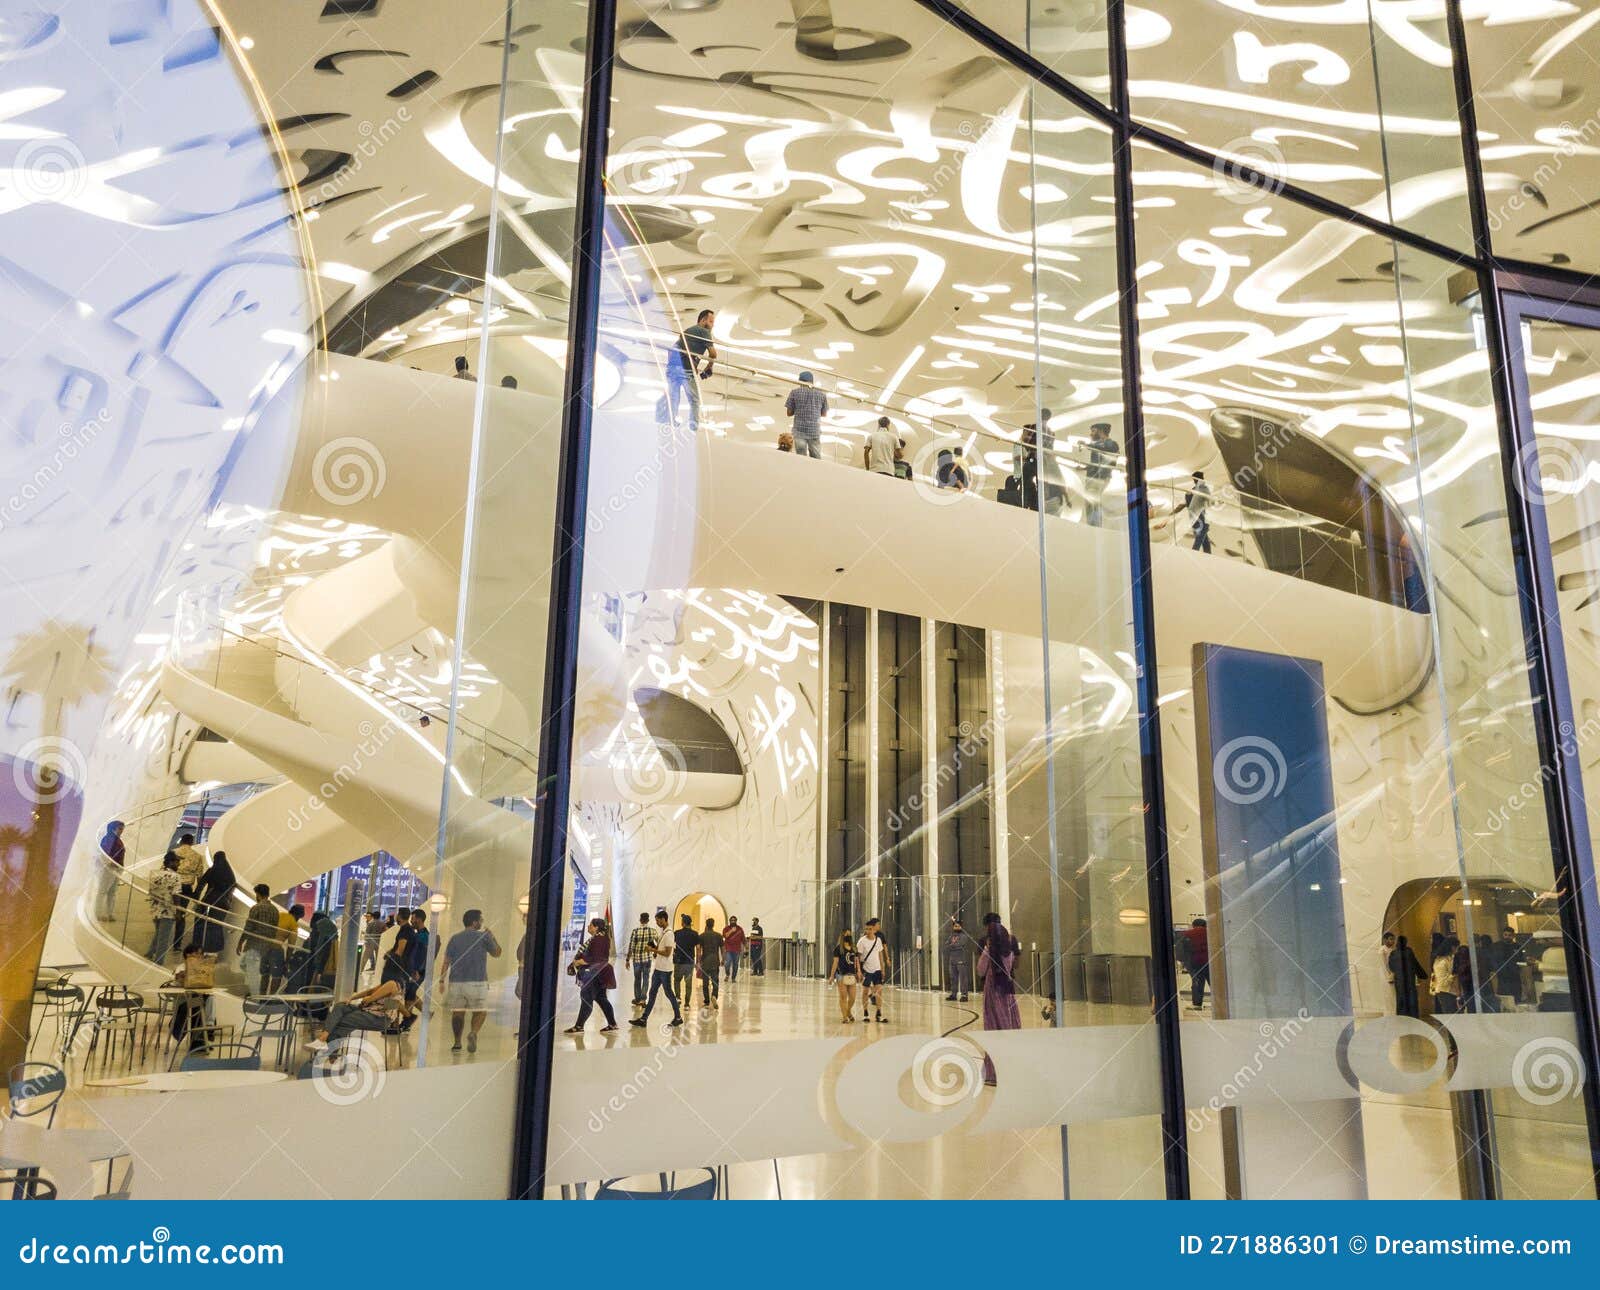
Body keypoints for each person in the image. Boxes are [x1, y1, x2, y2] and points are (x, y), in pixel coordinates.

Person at [440, 908, 502, 1052]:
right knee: (480, 1011)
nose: (481, 923)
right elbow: (497, 953)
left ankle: (456, 1043)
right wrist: (492, 936)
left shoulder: (455, 938)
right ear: (474, 922)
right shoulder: (483, 936)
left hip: (457, 982)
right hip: (477, 982)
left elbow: (446, 961)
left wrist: (442, 981)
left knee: (457, 1013)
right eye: (480, 920)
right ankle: (473, 1033)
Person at [978, 912, 1022, 1085]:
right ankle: (1012, 1067)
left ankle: (994, 1073)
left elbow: (980, 970)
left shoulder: (989, 947)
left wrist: (986, 951)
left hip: (993, 992)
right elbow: (1014, 964)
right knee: (1009, 1025)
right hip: (1008, 990)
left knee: (994, 1030)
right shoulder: (1010, 944)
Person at [308, 979, 406, 1052]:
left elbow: (386, 1010)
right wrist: (352, 998)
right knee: (340, 1006)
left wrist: (370, 999)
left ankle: (328, 1047)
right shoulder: (385, 985)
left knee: (342, 1019)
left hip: (379, 1019)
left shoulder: (395, 991)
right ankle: (323, 1039)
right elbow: (369, 992)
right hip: (367, 1011)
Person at [660, 308, 716, 431]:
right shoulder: (704, 331)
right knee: (694, 399)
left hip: (671, 368)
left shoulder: (687, 331)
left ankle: (670, 422)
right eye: (711, 322)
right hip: (685, 370)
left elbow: (673, 349)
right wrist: (708, 367)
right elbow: (713, 354)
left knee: (674, 397)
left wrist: (693, 365)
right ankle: (693, 426)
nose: (712, 325)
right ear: (703, 320)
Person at [564, 917, 618, 1034]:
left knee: (586, 999)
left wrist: (577, 962)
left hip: (593, 973)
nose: (588, 927)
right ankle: (612, 1024)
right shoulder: (603, 938)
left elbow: (594, 958)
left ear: (596, 927)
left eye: (590, 925)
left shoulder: (597, 939)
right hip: (601, 972)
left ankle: (579, 1026)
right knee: (601, 998)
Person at [630, 909, 684, 1028]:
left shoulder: (669, 933)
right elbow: (661, 949)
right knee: (652, 993)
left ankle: (678, 1017)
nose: (657, 923)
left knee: (669, 993)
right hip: (659, 968)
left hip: (665, 970)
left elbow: (668, 953)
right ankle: (644, 1019)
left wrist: (653, 950)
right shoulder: (663, 932)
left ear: (664, 919)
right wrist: (655, 949)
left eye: (658, 920)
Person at [237, 883, 280, 997]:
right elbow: (275, 929)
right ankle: (261, 995)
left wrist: (240, 942)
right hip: (269, 944)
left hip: (254, 943)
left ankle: (253, 993)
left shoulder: (256, 908)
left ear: (258, 894)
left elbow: (249, 927)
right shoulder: (275, 910)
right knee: (264, 971)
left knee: (248, 966)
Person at [193, 850, 235, 954]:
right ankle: (214, 950)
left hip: (209, 900)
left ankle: (199, 947)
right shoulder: (229, 873)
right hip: (222, 903)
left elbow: (200, 885)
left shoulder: (212, 870)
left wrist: (196, 899)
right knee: (216, 925)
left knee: (202, 923)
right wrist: (229, 902)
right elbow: (231, 888)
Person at [144, 852, 182, 963]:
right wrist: (179, 911)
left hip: (155, 909)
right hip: (168, 912)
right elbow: (176, 894)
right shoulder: (176, 877)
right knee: (164, 939)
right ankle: (159, 961)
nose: (178, 864)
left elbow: (151, 891)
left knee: (159, 933)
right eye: (177, 861)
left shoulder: (155, 874)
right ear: (171, 862)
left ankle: (150, 953)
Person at [172, 832, 206, 948]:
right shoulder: (197, 856)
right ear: (192, 842)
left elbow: (164, 869)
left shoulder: (173, 853)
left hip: (171, 885)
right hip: (186, 888)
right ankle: (177, 943)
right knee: (181, 914)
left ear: (181, 841)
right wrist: (196, 893)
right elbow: (200, 877)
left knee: (168, 911)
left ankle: (162, 936)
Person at [784, 370, 828, 459]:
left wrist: (799, 408)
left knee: (801, 458)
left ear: (800, 381)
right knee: (816, 457)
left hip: (799, 431)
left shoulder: (794, 392)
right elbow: (824, 414)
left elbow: (789, 413)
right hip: (814, 430)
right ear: (812, 381)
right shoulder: (821, 394)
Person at [856, 917, 890, 1023]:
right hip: (866, 970)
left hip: (877, 970)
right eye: (866, 929)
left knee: (879, 991)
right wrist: (859, 971)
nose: (868, 931)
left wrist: (882, 968)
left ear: (874, 930)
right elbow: (858, 957)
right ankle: (865, 1013)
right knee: (865, 991)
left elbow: (880, 955)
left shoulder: (878, 940)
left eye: (870, 929)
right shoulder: (862, 941)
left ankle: (878, 1013)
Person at [1084, 422, 1117, 527]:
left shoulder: (1111, 443)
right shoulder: (1097, 445)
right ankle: (1092, 525)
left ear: (1101, 431)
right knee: (1089, 501)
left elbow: (1109, 451)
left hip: (1100, 477)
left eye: (1093, 431)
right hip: (1092, 476)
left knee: (1093, 500)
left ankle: (1095, 526)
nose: (1091, 434)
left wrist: (1089, 445)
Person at [1388, 933, 1428, 1018]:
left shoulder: (1393, 953)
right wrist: (1423, 975)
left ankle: (1402, 1017)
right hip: (1409, 980)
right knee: (1411, 998)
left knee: (1401, 998)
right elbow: (1415, 964)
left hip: (1399, 980)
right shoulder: (1408, 952)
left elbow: (1391, 967)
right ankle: (1413, 1017)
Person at [95, 820, 126, 921]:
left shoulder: (116, 839)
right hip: (110, 869)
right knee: (103, 891)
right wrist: (110, 863)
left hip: (117, 868)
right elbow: (102, 854)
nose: (122, 831)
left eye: (122, 829)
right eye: (120, 829)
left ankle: (110, 913)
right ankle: (98, 913)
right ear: (113, 828)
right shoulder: (108, 839)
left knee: (112, 892)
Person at [827, 929, 861, 1023]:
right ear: (842, 936)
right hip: (841, 975)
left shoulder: (854, 948)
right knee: (843, 996)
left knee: (853, 997)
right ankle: (845, 1017)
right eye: (846, 935)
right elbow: (835, 962)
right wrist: (831, 976)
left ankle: (848, 1011)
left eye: (849, 935)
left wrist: (859, 971)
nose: (848, 937)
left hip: (852, 975)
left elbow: (856, 960)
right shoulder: (838, 949)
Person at [625, 911, 656, 1007]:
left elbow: (631, 946)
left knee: (637, 979)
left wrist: (627, 959)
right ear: (648, 920)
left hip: (637, 960)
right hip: (647, 959)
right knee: (646, 979)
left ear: (640, 920)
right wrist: (654, 952)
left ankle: (637, 999)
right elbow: (658, 943)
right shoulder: (653, 931)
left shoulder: (635, 931)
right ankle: (643, 999)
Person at [1181, 918, 1210, 1010]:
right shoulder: (1210, 932)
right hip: (1210, 962)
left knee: (1197, 983)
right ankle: (1219, 1004)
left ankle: (1197, 1004)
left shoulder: (1187, 934)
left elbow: (1182, 950)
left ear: (1193, 925)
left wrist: (1185, 963)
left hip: (1195, 962)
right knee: (1214, 984)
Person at [671, 912, 698, 1005]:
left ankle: (678, 998)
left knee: (677, 980)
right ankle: (687, 1003)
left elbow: (672, 945)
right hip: (689, 962)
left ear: (683, 923)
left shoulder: (677, 933)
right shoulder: (695, 934)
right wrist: (697, 961)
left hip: (678, 961)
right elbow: (698, 948)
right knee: (688, 983)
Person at [941, 918, 971, 1001]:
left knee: (963, 978)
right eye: (955, 926)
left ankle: (964, 995)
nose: (956, 927)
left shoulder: (964, 936)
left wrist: (952, 945)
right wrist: (952, 945)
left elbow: (960, 945)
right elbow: (946, 945)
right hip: (952, 960)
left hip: (961, 960)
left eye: (958, 926)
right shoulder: (951, 936)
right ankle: (954, 994)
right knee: (953, 978)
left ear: (961, 927)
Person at [696, 917, 723, 1009]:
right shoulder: (718, 936)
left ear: (706, 925)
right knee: (715, 981)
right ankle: (714, 996)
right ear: (713, 925)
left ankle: (707, 1000)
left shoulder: (701, 936)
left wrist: (698, 961)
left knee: (705, 982)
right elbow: (723, 949)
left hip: (705, 961)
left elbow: (699, 949)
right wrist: (723, 959)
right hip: (715, 960)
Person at [1431, 936, 1460, 1014]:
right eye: (1457, 948)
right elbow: (1442, 981)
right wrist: (1453, 975)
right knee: (1450, 1014)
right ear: (1452, 947)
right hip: (1444, 991)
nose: (1457, 950)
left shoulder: (1449, 958)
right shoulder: (1441, 961)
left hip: (1450, 991)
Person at [1185, 470, 1212, 552]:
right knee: (1199, 539)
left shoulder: (1189, 492)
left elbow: (1187, 505)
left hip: (1193, 518)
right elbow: (1209, 502)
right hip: (1202, 518)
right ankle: (1194, 553)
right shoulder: (1204, 489)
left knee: (1204, 540)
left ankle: (1208, 556)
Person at [722, 915, 746, 981]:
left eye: (734, 920)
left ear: (736, 921)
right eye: (731, 920)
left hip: (737, 949)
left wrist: (746, 948)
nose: (733, 921)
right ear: (730, 921)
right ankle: (727, 974)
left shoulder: (740, 929)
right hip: (728, 949)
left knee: (735, 965)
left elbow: (743, 939)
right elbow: (725, 936)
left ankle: (733, 978)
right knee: (727, 963)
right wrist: (731, 931)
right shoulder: (726, 928)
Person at [360, 912, 384, 976]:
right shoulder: (382, 924)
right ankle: (377, 971)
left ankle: (360, 970)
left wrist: (366, 941)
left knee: (365, 957)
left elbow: (367, 934)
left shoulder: (371, 923)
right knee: (378, 957)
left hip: (371, 942)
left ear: (373, 916)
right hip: (379, 942)